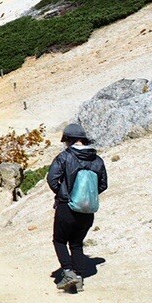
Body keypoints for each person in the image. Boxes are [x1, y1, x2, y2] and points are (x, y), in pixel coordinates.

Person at [46, 122, 108, 292]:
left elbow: (52, 179)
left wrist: (63, 194)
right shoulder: (98, 160)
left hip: (66, 208)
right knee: (76, 243)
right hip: (87, 210)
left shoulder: (64, 157)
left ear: (68, 139)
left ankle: (68, 273)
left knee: (59, 240)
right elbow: (103, 185)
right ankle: (79, 278)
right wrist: (86, 197)